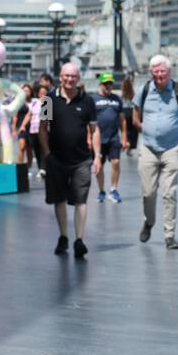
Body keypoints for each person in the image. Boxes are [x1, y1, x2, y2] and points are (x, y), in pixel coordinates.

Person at [39, 62, 100, 258]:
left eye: (73, 76)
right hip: (56, 158)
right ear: (60, 76)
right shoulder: (49, 99)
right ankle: (63, 236)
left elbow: (94, 129)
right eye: (66, 76)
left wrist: (97, 156)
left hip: (81, 159)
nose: (69, 79)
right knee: (59, 200)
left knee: (80, 200)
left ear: (78, 78)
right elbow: (42, 128)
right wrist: (47, 152)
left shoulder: (87, 100)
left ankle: (79, 240)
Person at [131, 54, 178, 249]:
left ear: (169, 72)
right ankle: (149, 222)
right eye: (155, 72)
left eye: (162, 72)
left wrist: (173, 135)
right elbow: (135, 119)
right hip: (148, 148)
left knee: (169, 193)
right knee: (148, 193)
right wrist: (149, 133)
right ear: (151, 73)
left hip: (172, 149)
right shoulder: (144, 90)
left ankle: (169, 235)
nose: (159, 76)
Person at [93, 73, 126, 204]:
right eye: (106, 84)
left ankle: (114, 190)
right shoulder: (93, 99)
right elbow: (88, 121)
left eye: (110, 83)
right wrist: (88, 138)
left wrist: (124, 137)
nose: (108, 86)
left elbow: (123, 120)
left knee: (116, 162)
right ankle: (101, 190)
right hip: (98, 139)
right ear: (100, 84)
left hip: (113, 137)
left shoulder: (117, 99)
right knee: (99, 166)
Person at [120, 75, 139, 154]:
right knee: (134, 130)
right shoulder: (134, 91)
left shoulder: (123, 92)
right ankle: (131, 146)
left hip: (124, 111)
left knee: (125, 129)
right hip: (132, 110)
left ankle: (126, 141)